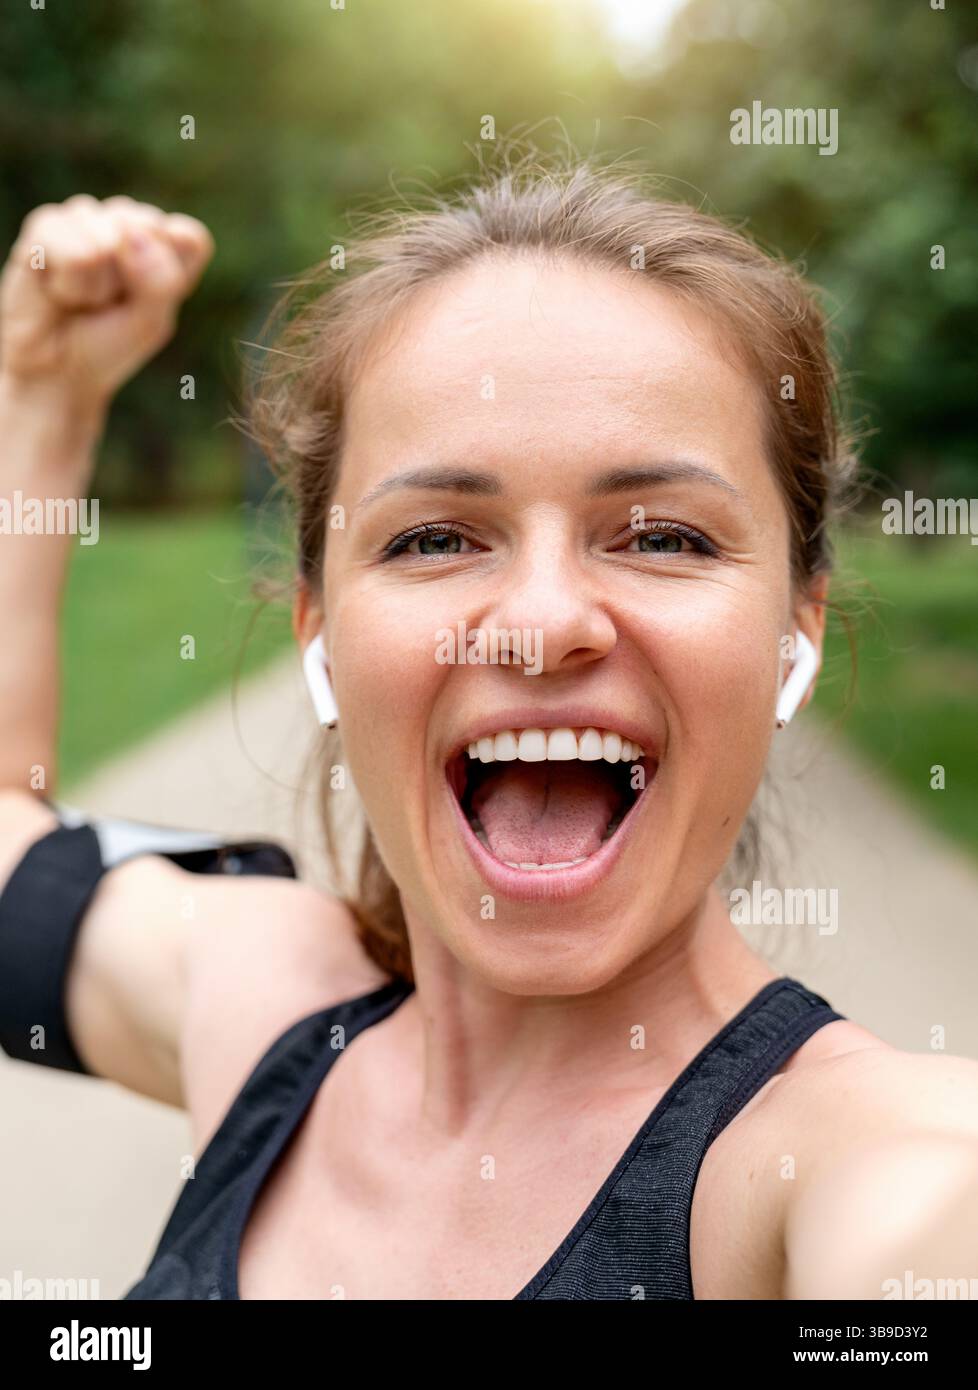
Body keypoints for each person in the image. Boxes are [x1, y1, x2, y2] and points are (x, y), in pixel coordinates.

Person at [1, 160, 977, 1302]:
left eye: (664, 536)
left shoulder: (872, 1172)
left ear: (795, 629)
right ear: (318, 625)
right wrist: (42, 401)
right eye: (435, 538)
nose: (540, 625)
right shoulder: (262, 1009)